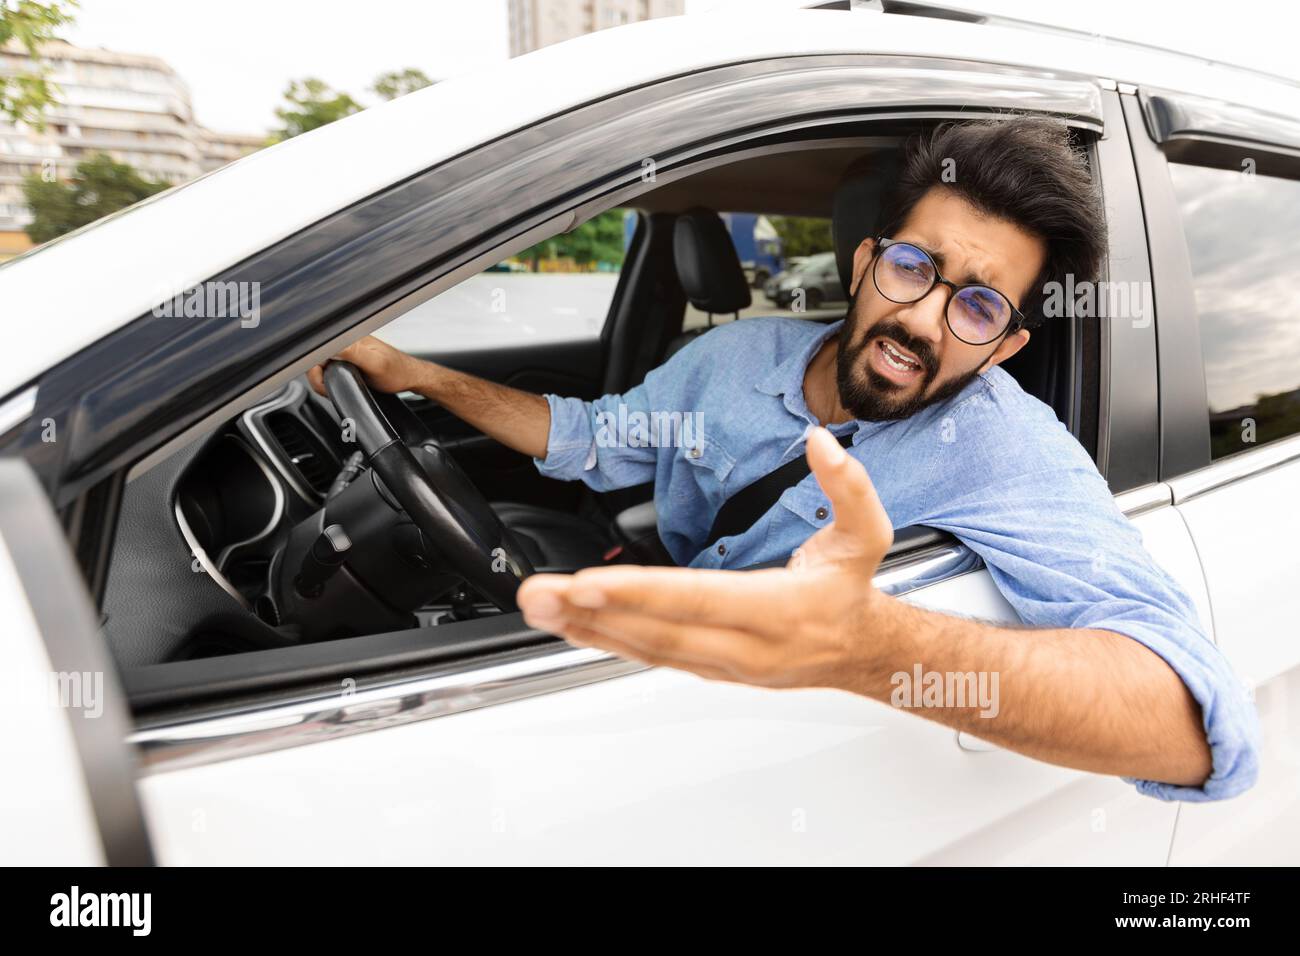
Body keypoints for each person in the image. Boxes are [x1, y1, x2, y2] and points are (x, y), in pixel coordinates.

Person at [312, 117, 1259, 801]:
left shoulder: (1006, 449)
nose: (924, 320)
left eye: (977, 307)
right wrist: (415, 374)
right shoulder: (731, 361)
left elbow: (1192, 726)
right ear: (863, 266)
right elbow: (591, 436)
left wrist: (873, 647)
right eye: (914, 268)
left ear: (1005, 347)